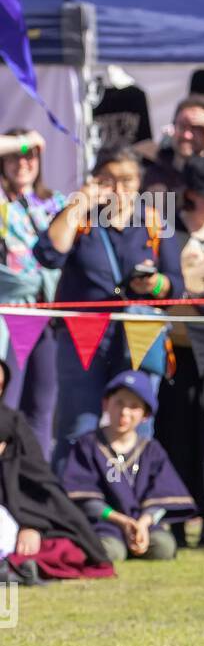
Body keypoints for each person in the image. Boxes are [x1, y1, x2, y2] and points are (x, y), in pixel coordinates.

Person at [35, 147, 183, 468]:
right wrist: (81, 201)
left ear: (139, 183)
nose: (118, 190)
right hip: (82, 336)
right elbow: (48, 254)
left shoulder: (154, 220)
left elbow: (176, 285)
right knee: (78, 424)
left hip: (138, 335)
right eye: (109, 180)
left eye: (127, 180)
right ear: (95, 180)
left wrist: (154, 284)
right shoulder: (82, 217)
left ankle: (134, 508)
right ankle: (71, 510)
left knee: (136, 426)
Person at [156, 155, 204, 547]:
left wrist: (199, 279)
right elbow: (176, 285)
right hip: (178, 349)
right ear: (190, 195)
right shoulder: (168, 234)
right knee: (176, 435)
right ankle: (174, 519)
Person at [60, 370, 196, 561]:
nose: (124, 412)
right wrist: (121, 521)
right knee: (110, 551)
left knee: (163, 547)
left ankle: (138, 540)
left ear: (145, 415)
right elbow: (82, 497)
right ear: (106, 404)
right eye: (119, 403)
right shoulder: (89, 445)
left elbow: (161, 494)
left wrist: (143, 523)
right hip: (104, 523)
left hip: (141, 523)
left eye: (134, 406)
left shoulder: (151, 449)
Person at [0, 357, 114, 583]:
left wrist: (32, 524)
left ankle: (19, 567)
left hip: (13, 520)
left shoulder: (12, 424)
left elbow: (40, 485)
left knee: (69, 547)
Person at [0, 129, 68, 454]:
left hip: (49, 315)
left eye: (30, 155)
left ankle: (33, 488)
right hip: (9, 313)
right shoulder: (1, 200)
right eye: (14, 155)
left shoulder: (55, 203)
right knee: (6, 405)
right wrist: (26, 140)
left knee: (42, 408)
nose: (22, 162)